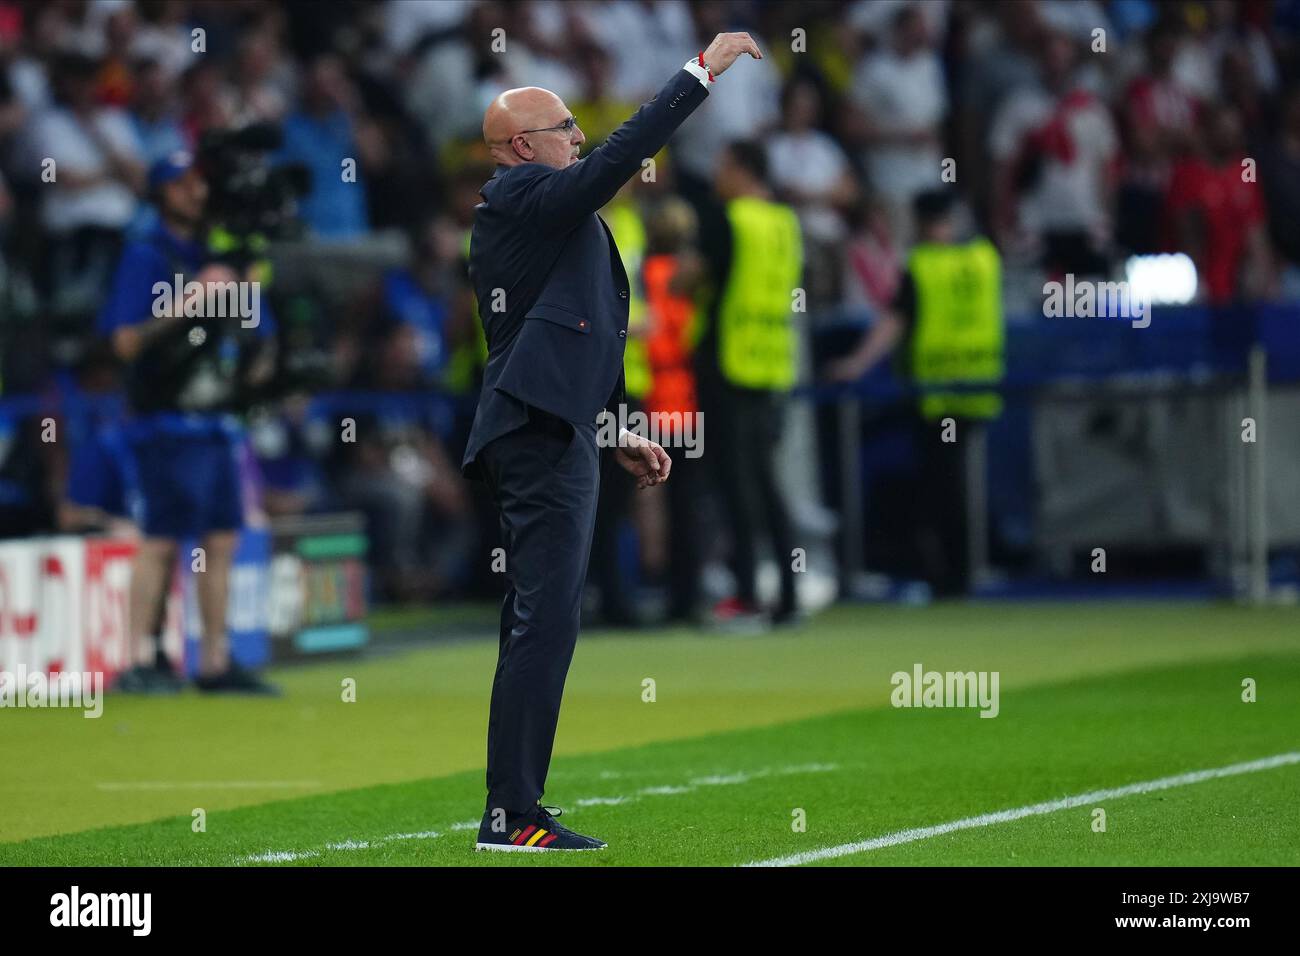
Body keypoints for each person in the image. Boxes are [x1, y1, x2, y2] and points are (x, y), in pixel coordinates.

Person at [463, 33, 763, 852]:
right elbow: (613, 163)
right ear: (523, 147)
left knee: (544, 619)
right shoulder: (520, 194)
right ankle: (510, 814)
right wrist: (697, 74)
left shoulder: (544, 213)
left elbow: (580, 332)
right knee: (543, 621)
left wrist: (617, 423)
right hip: (534, 435)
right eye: (565, 127)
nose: (579, 138)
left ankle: (511, 806)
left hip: (557, 429)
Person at [98, 152, 278, 694]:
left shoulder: (219, 257)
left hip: (218, 421)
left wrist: (255, 348)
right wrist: (191, 299)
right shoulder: (147, 256)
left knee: (221, 538)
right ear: (159, 194)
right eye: (179, 183)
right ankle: (135, 660)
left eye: (197, 181)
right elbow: (124, 342)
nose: (193, 192)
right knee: (159, 539)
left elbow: (260, 335)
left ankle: (215, 662)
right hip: (166, 422)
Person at [826, 190, 1005, 596]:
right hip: (979, 384)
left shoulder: (924, 264)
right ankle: (965, 573)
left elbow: (895, 321)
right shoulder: (984, 258)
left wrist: (855, 364)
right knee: (958, 484)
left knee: (942, 488)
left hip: (937, 390)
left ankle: (950, 580)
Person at [694, 140, 804, 628]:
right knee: (767, 483)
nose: (717, 178)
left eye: (722, 167)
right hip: (772, 361)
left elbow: (693, 277)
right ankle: (789, 592)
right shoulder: (784, 223)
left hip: (728, 357)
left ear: (741, 170)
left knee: (735, 485)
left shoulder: (729, 219)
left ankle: (746, 595)